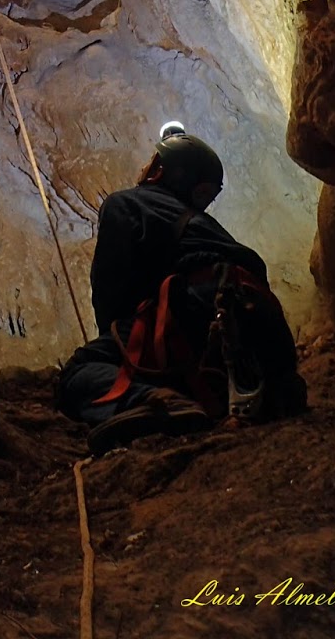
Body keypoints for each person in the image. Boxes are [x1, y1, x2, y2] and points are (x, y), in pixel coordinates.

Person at [57, 124, 305, 457]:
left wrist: (115, 343)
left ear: (160, 170)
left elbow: (112, 292)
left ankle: (155, 404)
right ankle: (267, 390)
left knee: (78, 371)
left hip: (199, 306)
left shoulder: (128, 204)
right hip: (262, 320)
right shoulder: (204, 227)